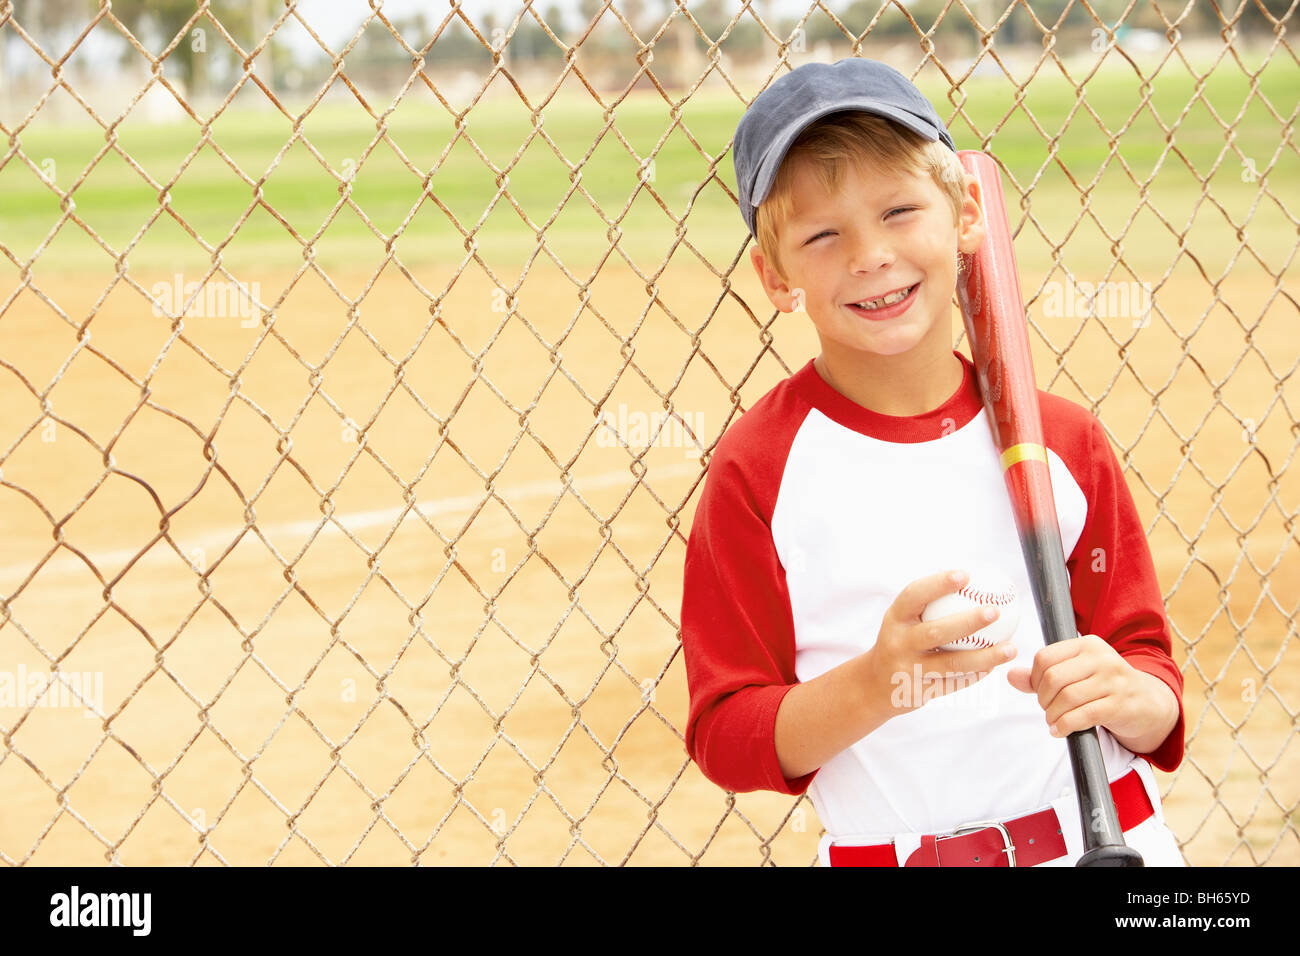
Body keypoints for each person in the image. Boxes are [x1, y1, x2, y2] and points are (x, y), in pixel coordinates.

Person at [680, 57, 1185, 866]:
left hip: (1113, 840)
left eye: (899, 211)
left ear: (966, 216)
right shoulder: (760, 470)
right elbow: (725, 732)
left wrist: (1134, 699)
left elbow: (1151, 672)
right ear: (775, 276)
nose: (870, 255)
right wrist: (875, 684)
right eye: (822, 235)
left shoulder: (1062, 440)